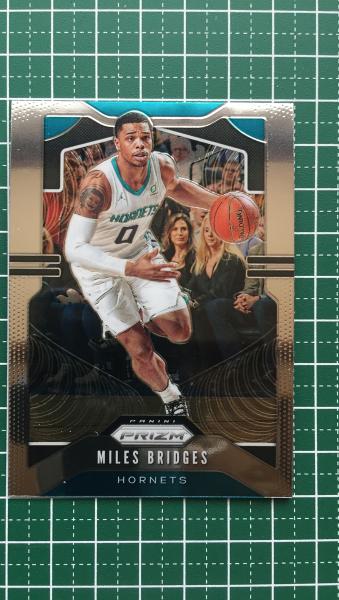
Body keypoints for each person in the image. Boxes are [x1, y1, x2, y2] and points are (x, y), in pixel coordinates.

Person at [64, 111, 220, 416]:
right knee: (141, 349)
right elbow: (74, 248)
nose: (139, 144)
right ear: (117, 143)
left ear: (153, 140)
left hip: (139, 252)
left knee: (180, 331)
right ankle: (172, 399)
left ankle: (143, 310)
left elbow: (176, 187)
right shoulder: (99, 184)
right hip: (98, 268)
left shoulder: (162, 166)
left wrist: (219, 203)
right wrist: (128, 270)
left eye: (145, 137)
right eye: (131, 138)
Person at [186, 217, 247, 367]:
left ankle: (235, 364)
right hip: (208, 308)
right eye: (206, 230)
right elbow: (191, 288)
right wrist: (182, 298)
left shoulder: (231, 259)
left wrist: (196, 302)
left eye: (214, 230)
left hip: (233, 309)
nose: (210, 235)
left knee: (212, 306)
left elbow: (220, 291)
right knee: (193, 312)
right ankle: (203, 368)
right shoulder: (201, 260)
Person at [161, 213, 196, 288]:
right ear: (169, 233)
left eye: (183, 229)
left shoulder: (197, 258)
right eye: (175, 229)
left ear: (189, 233)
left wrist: (179, 281)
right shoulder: (162, 257)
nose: (179, 233)